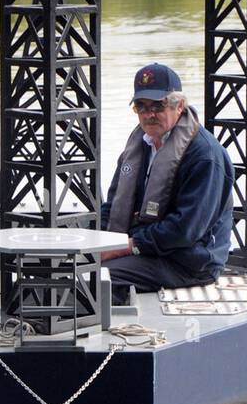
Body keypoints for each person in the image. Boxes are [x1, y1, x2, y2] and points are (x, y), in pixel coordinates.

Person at [99, 63, 234, 300]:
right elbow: (111, 207)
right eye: (141, 106)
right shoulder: (139, 146)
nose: (149, 114)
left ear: (179, 105)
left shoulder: (205, 156)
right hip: (144, 249)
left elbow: (185, 230)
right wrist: (94, 242)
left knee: (97, 278)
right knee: (69, 264)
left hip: (188, 262)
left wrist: (127, 246)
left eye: (158, 106)